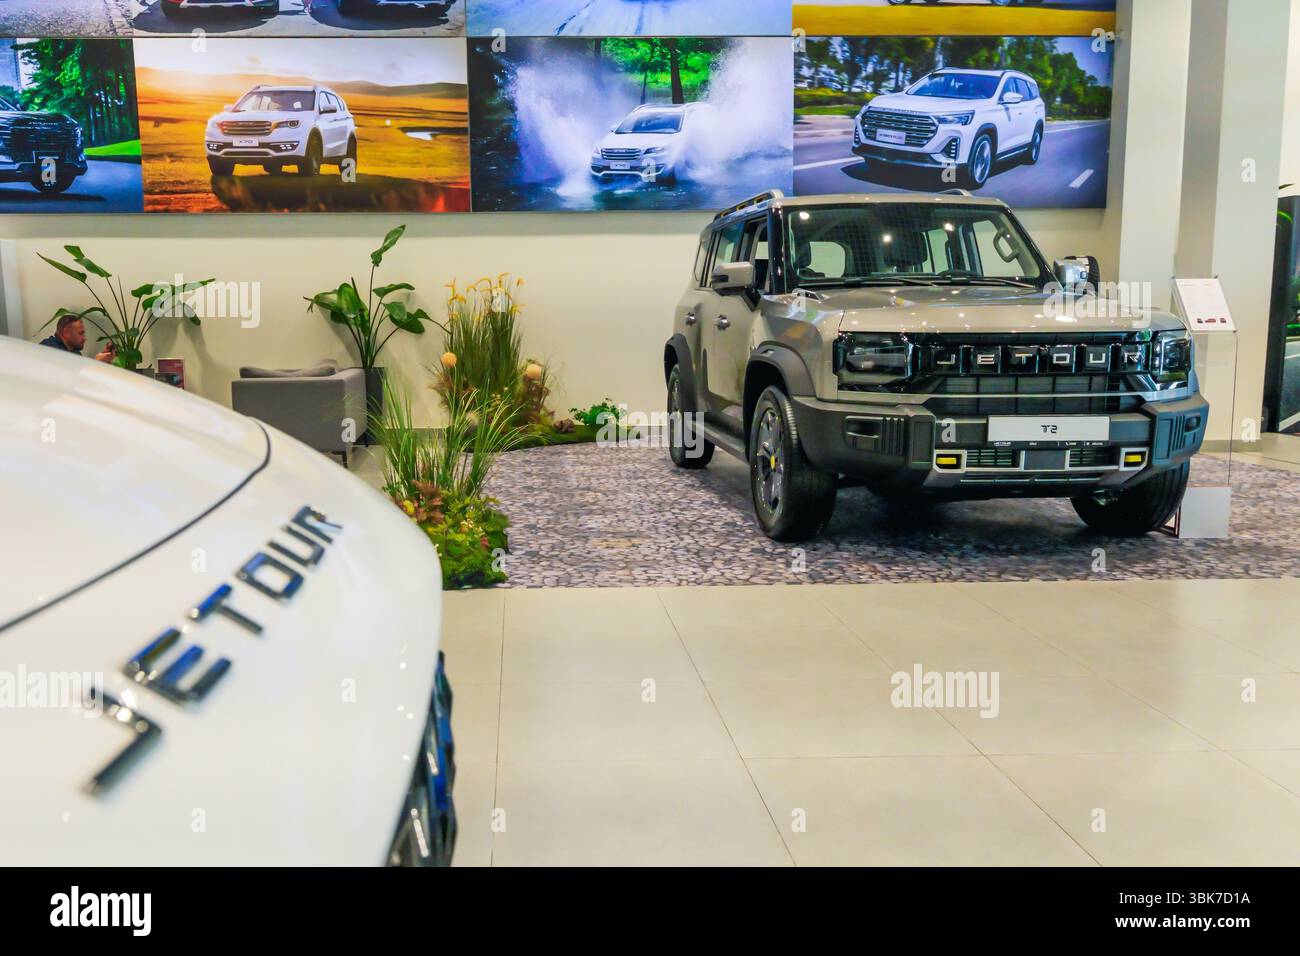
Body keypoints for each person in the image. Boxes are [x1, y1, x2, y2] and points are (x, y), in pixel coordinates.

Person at [38, 315, 115, 363]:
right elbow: (67, 377)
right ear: (66, 332)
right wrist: (97, 362)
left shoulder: (75, 352)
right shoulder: (48, 348)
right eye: (80, 333)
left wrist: (104, 359)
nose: (84, 338)